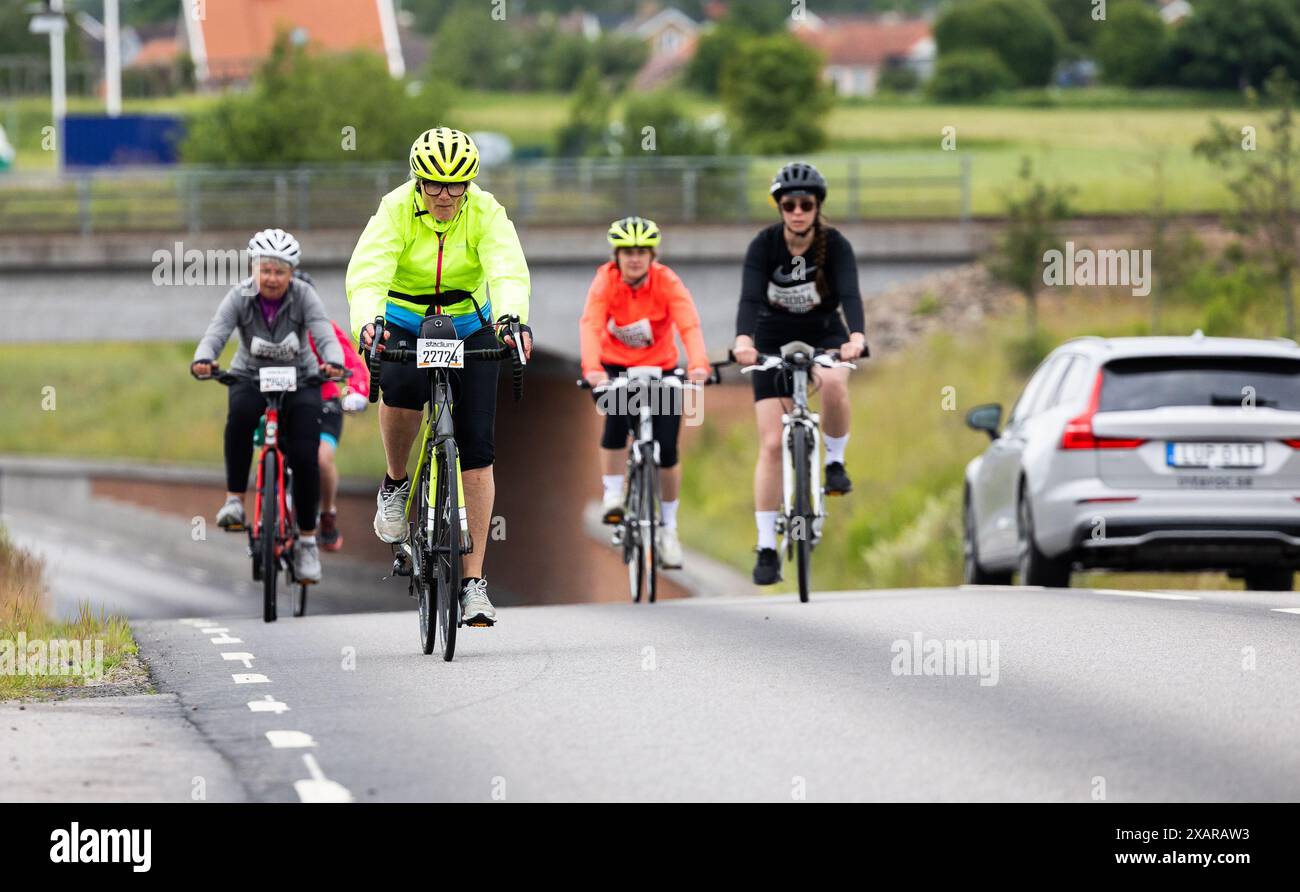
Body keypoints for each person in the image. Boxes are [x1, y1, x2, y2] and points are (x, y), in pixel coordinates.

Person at [346, 127, 532, 627]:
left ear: (469, 183)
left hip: (469, 322)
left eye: (456, 186)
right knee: (402, 390)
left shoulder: (486, 211)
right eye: (434, 185)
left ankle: (473, 584)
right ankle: (396, 484)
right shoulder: (395, 209)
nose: (445, 195)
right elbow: (369, 270)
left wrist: (512, 318)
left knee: (477, 451)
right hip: (405, 318)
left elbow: (507, 267)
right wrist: (369, 322)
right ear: (418, 182)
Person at [731, 163, 868, 585]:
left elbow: (850, 294)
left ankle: (835, 463)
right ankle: (767, 547)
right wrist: (743, 341)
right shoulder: (763, 245)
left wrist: (856, 337)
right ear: (779, 208)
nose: (797, 211)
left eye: (806, 204)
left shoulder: (836, 245)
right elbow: (750, 297)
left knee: (831, 382)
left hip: (825, 331)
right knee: (772, 443)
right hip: (771, 337)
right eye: (789, 204)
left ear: (816, 207)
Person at [191, 228, 345, 583]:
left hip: (300, 379)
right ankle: (234, 501)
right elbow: (217, 331)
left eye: (279, 271)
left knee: (306, 455)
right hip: (252, 376)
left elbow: (323, 331)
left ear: (291, 273)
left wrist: (333, 363)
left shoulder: (305, 296)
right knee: (240, 418)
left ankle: (307, 543)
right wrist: (203, 359)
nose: (271, 278)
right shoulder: (238, 297)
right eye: (265, 270)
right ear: (253, 269)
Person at [579, 216, 711, 570]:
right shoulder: (605, 281)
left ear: (652, 254)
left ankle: (668, 529)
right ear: (617, 255)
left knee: (668, 450)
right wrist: (593, 371)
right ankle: (613, 496)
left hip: (661, 369)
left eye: (641, 252)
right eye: (628, 252)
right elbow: (591, 324)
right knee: (616, 420)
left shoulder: (667, 282)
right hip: (615, 368)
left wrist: (698, 364)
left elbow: (688, 323)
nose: (635, 258)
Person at [309, 317, 371, 552]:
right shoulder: (268, 324)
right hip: (283, 404)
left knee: (321, 459)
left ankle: (327, 515)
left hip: (324, 404)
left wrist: (357, 390)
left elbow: (352, 362)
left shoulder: (321, 326)